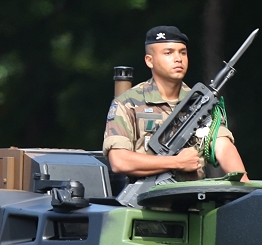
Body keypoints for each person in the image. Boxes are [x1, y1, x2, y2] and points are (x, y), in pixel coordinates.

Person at [103, 25, 247, 182]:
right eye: (168, 53)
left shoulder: (201, 103)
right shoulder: (128, 103)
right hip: (143, 202)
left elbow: (223, 147)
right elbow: (119, 161)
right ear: (149, 61)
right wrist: (177, 162)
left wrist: (248, 189)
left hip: (194, 201)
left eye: (183, 52)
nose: (178, 58)